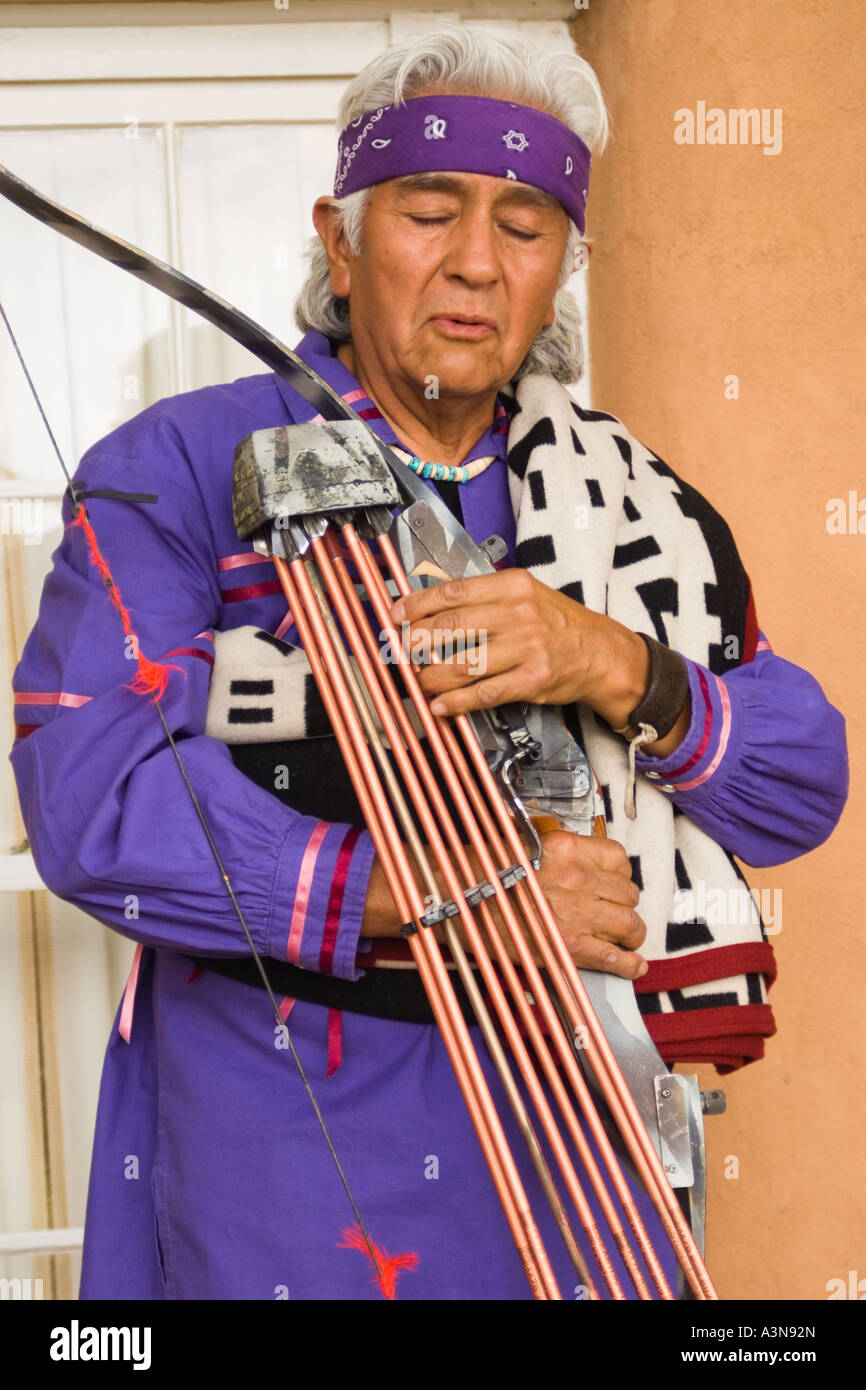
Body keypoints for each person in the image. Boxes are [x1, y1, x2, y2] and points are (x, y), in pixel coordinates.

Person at [10, 24, 847, 1301]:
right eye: (428, 209)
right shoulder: (177, 467)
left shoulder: (625, 501)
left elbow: (796, 783)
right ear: (338, 242)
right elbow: (93, 799)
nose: (472, 262)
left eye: (523, 223)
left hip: (586, 1135)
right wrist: (474, 895)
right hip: (281, 1136)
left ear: (560, 263)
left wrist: (612, 660)